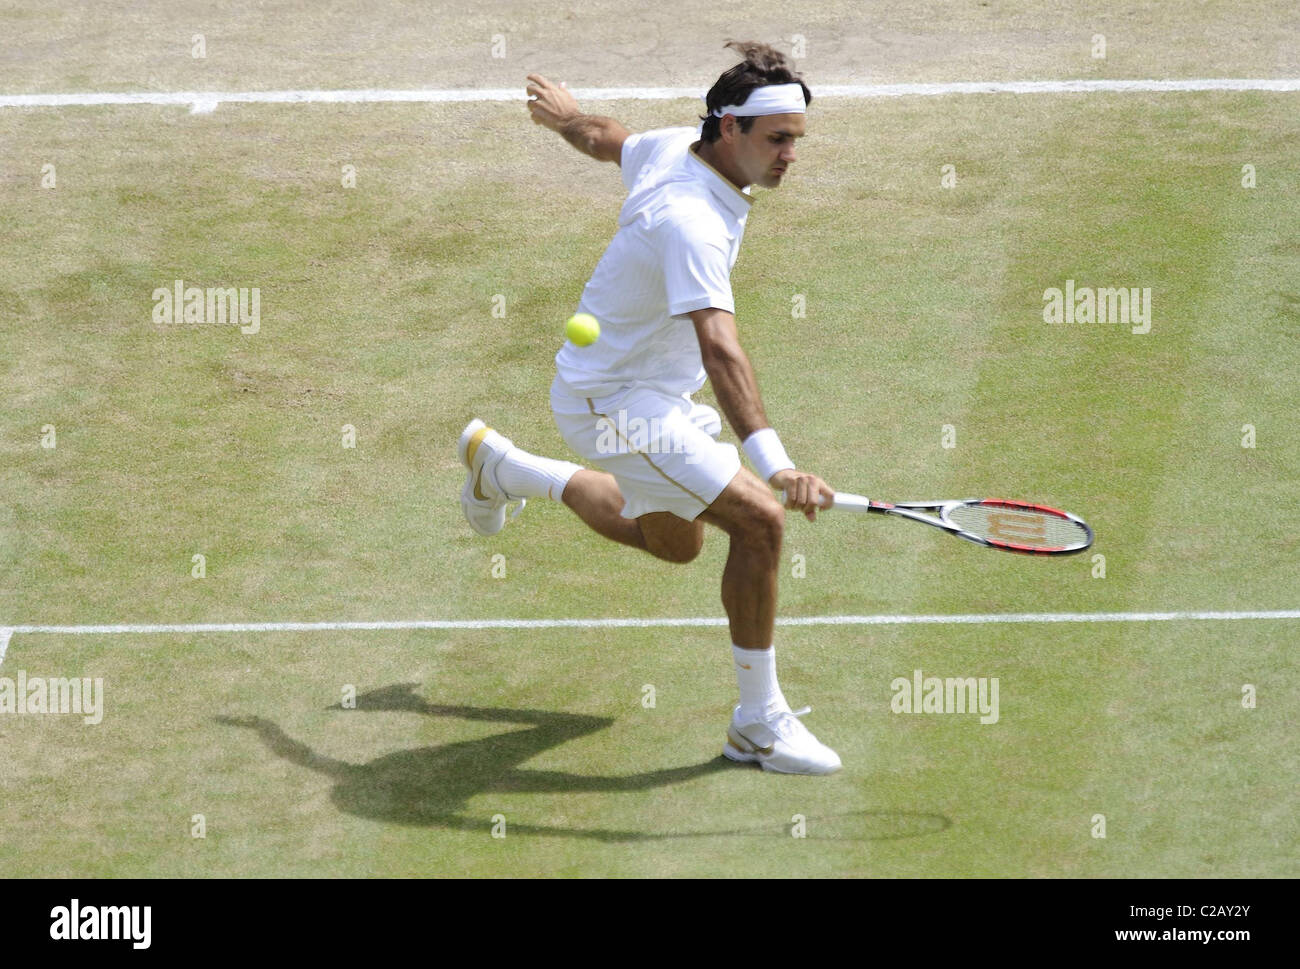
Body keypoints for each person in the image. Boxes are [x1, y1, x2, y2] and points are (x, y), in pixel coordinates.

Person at [459, 41, 840, 774]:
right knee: (757, 520)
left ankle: (504, 469)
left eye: (797, 138)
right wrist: (776, 465)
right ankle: (757, 724)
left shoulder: (676, 147)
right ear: (729, 129)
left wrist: (567, 119)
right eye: (779, 139)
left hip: (634, 388)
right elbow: (721, 349)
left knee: (676, 543)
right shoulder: (692, 223)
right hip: (617, 404)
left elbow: (609, 141)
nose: (792, 154)